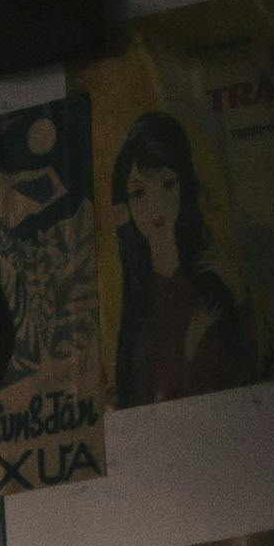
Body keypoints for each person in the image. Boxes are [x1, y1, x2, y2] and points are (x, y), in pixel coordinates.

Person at [109, 112, 254, 407]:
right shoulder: (138, 301)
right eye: (139, 192)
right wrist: (189, 345)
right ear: (126, 204)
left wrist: (238, 294)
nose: (155, 205)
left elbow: (251, 374)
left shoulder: (210, 277)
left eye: (167, 184)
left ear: (183, 186)